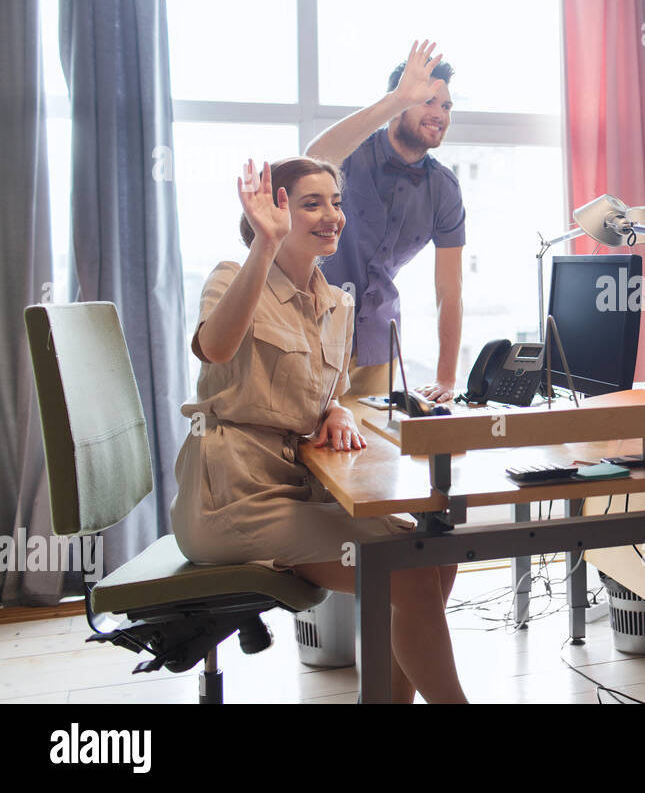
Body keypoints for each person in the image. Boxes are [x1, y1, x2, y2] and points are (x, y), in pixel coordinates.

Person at [171, 157, 467, 703]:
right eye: (312, 203)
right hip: (232, 500)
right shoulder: (232, 277)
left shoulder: (338, 302)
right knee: (414, 577)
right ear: (274, 212)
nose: (331, 214)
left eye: (335, 201)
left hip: (294, 487)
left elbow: (318, 388)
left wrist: (338, 410)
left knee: (436, 551)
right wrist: (265, 244)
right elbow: (216, 348)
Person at [307, 40, 465, 402]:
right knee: (310, 451)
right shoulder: (351, 153)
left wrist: (445, 379)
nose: (440, 113)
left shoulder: (444, 190)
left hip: (379, 345)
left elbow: (449, 288)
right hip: (314, 334)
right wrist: (397, 98)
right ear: (401, 102)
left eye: (446, 106)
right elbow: (314, 157)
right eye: (427, 100)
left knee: (370, 452)